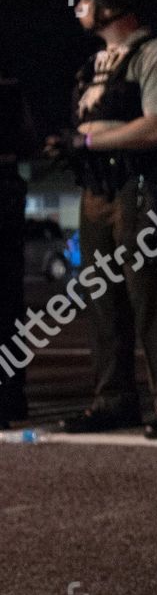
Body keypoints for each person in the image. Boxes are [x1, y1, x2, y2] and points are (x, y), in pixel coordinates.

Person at [51, 0, 157, 439]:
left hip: (139, 188)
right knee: (101, 298)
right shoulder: (93, 65)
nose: (78, 7)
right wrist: (69, 145)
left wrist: (89, 141)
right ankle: (113, 399)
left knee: (149, 297)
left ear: (110, 3)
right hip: (97, 190)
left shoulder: (154, 54)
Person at [0, 69, 36, 430]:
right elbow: (27, 139)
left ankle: (9, 394)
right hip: (7, 187)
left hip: (4, 190)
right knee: (8, 302)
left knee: (7, 302)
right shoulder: (10, 89)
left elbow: (25, 139)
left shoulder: (9, 90)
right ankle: (11, 394)